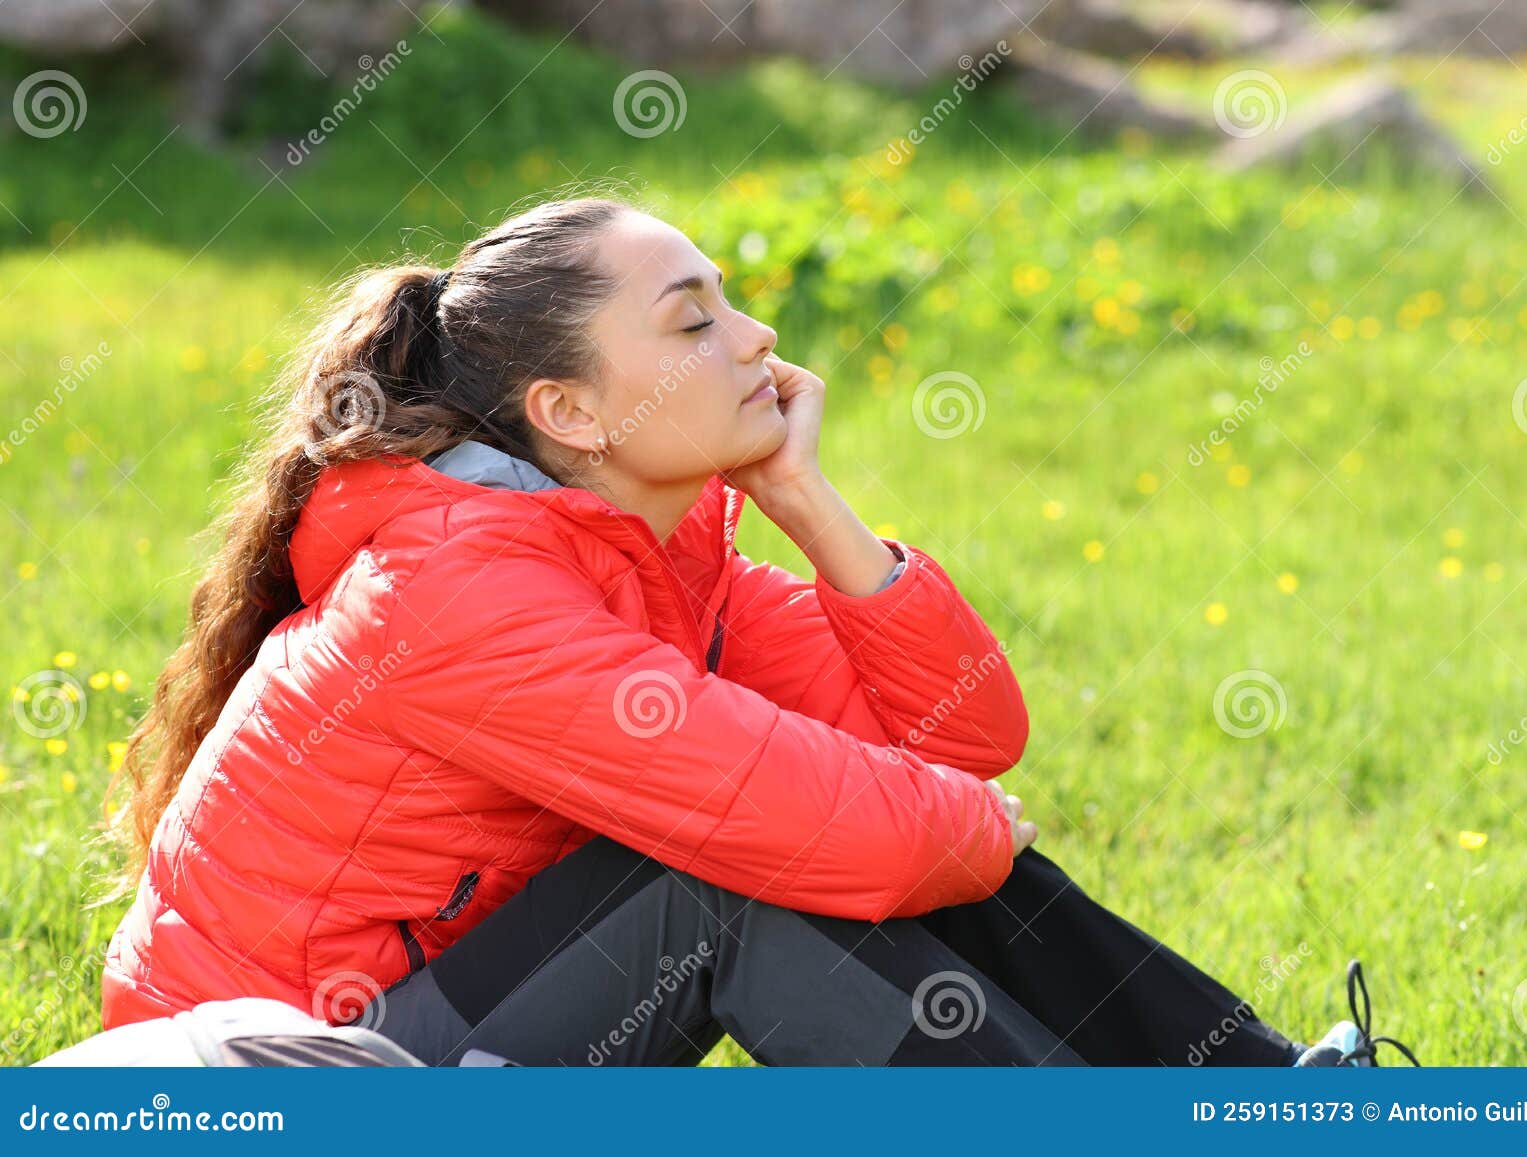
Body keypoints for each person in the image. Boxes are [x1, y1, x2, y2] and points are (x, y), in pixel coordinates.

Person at [99, 195, 1415, 1067]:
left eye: (729, 303)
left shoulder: (654, 558)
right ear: (572, 410)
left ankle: (1263, 1098)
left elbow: (967, 732)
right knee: (725, 878)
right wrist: (955, 825)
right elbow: (870, 821)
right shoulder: (458, 590)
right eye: (695, 321)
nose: (757, 336)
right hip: (287, 1091)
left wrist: (802, 497)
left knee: (838, 839)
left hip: (436, 1040)